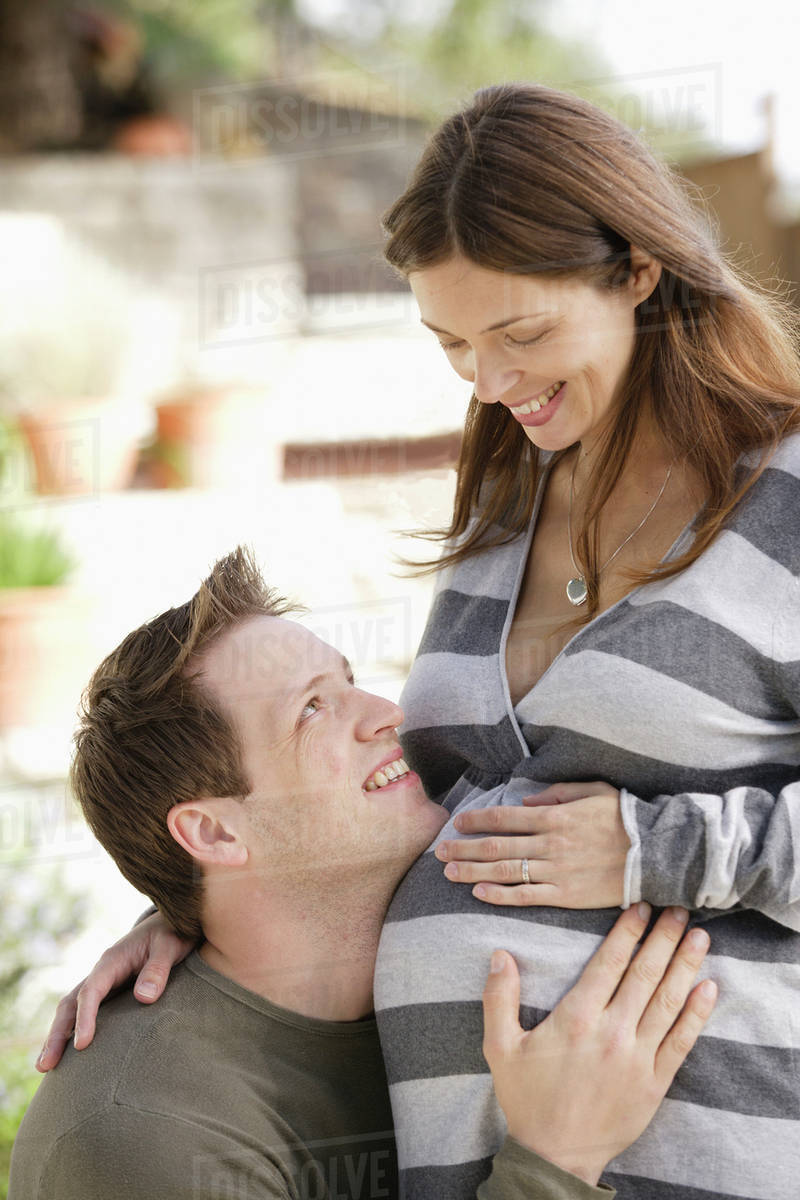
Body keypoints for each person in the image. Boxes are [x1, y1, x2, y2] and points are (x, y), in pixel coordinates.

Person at [37, 81, 800, 1197]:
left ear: (640, 273)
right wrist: (193, 908)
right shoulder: (501, 517)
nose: (490, 385)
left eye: (521, 332)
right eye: (450, 343)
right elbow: (414, 792)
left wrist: (656, 851)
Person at [10, 547, 716, 1200]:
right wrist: (554, 1163)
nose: (388, 714)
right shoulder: (138, 1135)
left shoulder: (421, 978)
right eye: (312, 709)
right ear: (214, 831)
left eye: (350, 682)